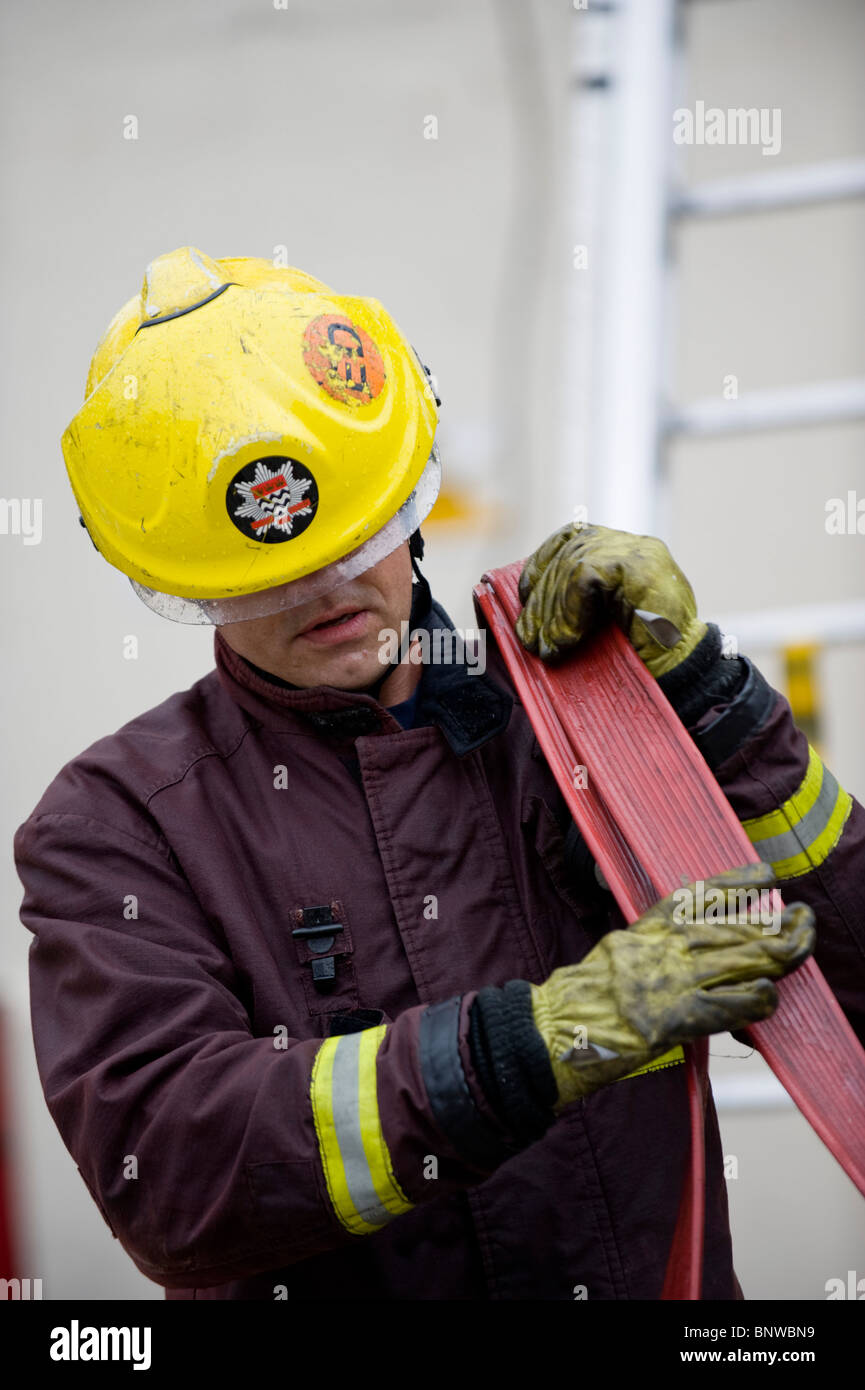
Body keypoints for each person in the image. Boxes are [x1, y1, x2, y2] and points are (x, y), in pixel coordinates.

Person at [14, 249, 863, 1302]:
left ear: (411, 490)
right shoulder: (120, 824)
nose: (326, 591)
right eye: (270, 578)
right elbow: (176, 1181)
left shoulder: (571, 714)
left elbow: (849, 981)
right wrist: (537, 1042)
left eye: (354, 538)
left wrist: (708, 702)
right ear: (189, 583)